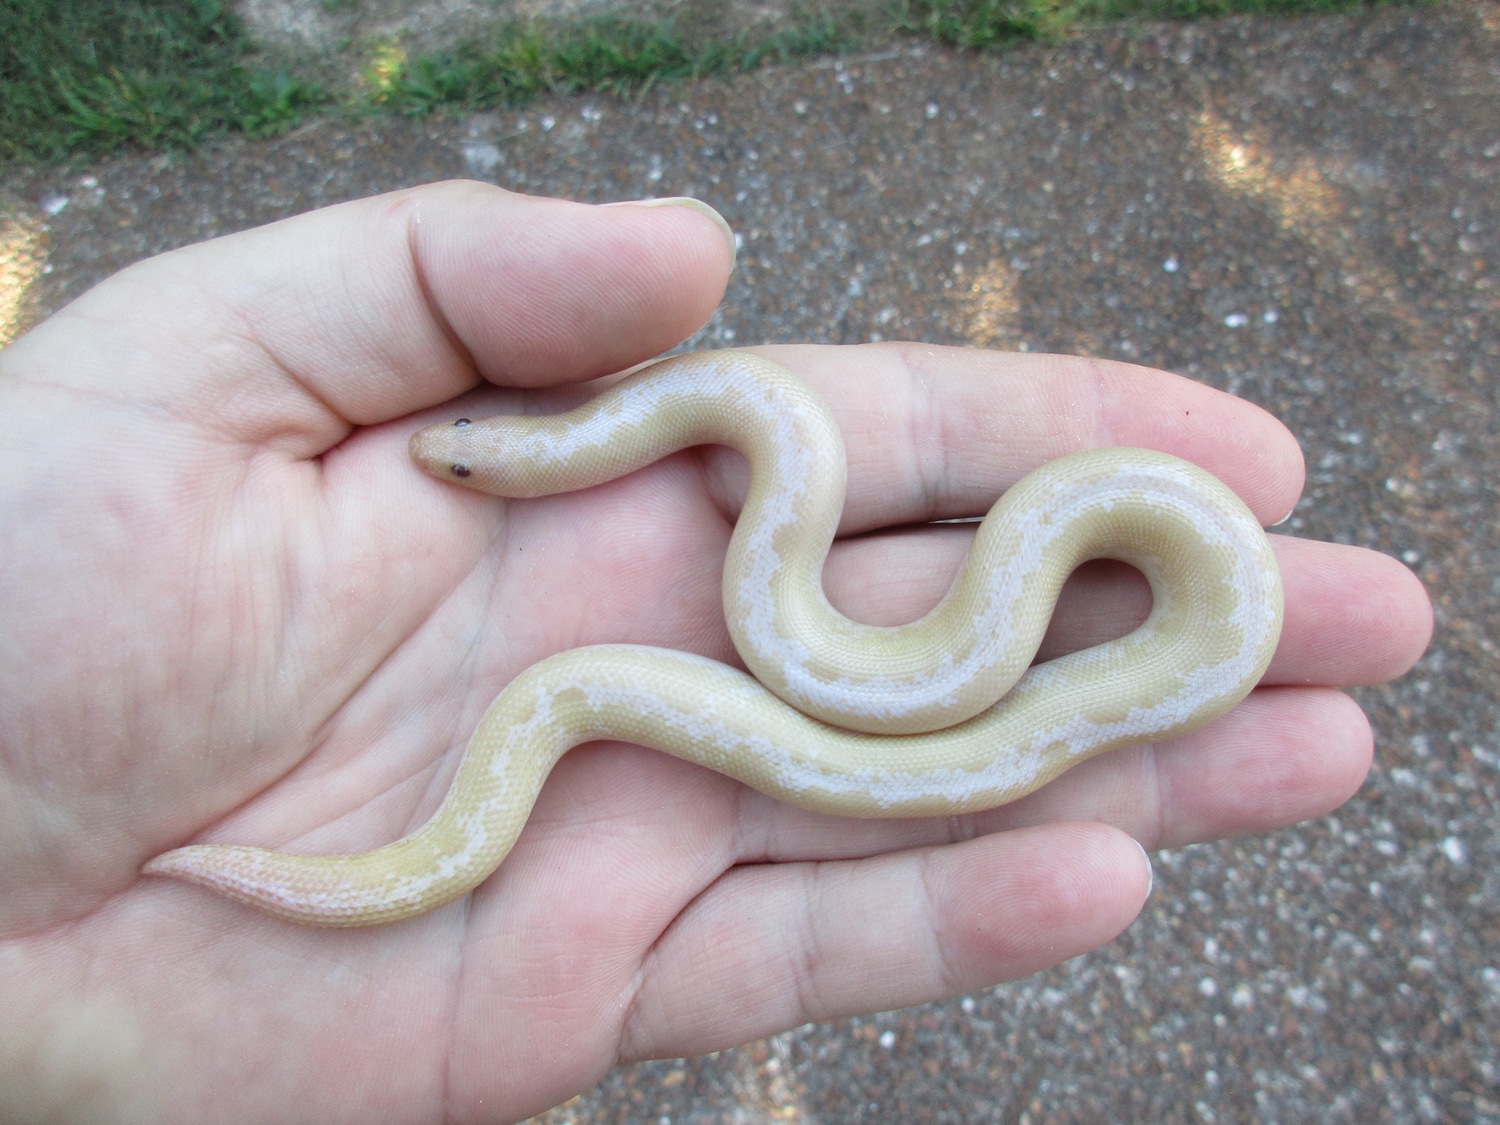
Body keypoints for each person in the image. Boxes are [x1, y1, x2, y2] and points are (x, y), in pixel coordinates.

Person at [0, 181, 1430, 1122]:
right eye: (467, 466)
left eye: (472, 464)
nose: (457, 464)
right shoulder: (749, 476)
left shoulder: (775, 503)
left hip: (1135, 618)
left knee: (897, 686)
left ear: (530, 467)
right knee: (602, 695)